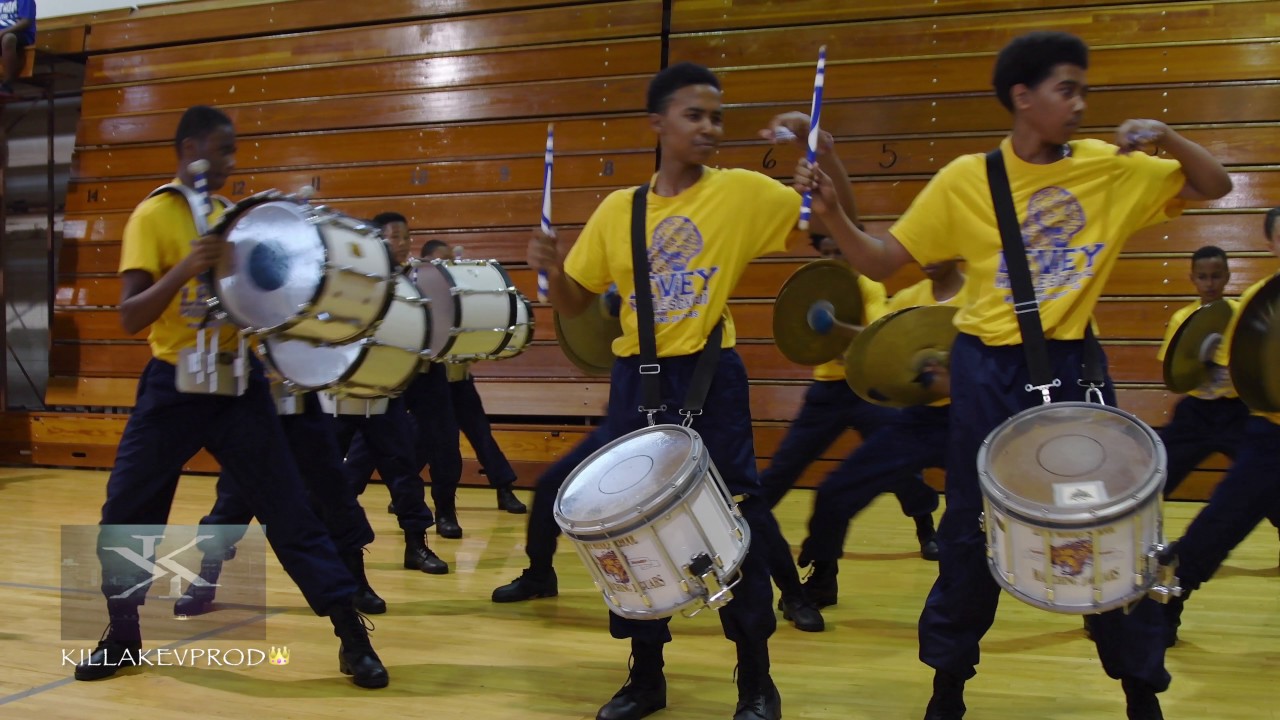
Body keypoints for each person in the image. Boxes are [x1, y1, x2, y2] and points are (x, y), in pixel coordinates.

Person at [794, 31, 1231, 720]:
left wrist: (1169, 136)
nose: (1082, 103)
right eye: (1068, 89)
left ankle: (1139, 687)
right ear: (1023, 98)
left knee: (1105, 530)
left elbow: (1216, 185)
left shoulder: (1109, 168)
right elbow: (883, 262)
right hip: (987, 371)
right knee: (970, 529)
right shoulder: (967, 179)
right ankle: (948, 685)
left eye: (1085, 89)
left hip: (1073, 368)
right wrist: (833, 219)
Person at [495, 61, 857, 720]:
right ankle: (645, 675)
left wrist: (829, 169)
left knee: (732, 525)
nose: (710, 127)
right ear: (658, 124)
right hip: (638, 383)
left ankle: (755, 679)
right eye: (695, 115)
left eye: (717, 116)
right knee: (626, 531)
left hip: (710, 379)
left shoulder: (743, 193)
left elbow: (833, 232)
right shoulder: (619, 211)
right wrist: (551, 270)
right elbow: (578, 303)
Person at [73, 105, 388, 688]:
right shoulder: (153, 214)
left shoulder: (233, 217)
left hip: (238, 385)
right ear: (191, 146)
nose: (230, 161)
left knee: (291, 509)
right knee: (126, 512)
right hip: (173, 385)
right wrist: (184, 270)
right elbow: (128, 315)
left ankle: (351, 637)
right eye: (222, 150)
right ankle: (121, 637)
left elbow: (258, 303)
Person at [761, 233, 944, 631]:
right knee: (780, 474)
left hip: (867, 390)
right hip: (828, 391)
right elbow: (802, 341)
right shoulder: (812, 287)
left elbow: (877, 337)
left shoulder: (868, 284)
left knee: (895, 469)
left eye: (838, 250)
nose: (832, 258)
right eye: (825, 252)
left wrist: (836, 325)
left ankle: (925, 524)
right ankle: (819, 578)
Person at [794, 260, 964, 608]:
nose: (928, 259)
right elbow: (878, 345)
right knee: (833, 493)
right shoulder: (908, 298)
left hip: (970, 418)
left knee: (984, 508)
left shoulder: (984, 292)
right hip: (918, 420)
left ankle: (1094, 602)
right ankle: (822, 579)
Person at [1160, 208, 1280, 647]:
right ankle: (1167, 595)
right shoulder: (1258, 304)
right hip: (1270, 435)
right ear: (1272, 244)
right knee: (1219, 525)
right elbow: (1245, 376)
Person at [170, 389, 386, 617]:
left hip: (308, 404)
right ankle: (206, 578)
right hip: (253, 407)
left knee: (332, 501)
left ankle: (356, 583)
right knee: (231, 503)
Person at [338, 211, 450, 570]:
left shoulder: (416, 281)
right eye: (395, 237)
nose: (404, 243)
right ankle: (336, 546)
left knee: (403, 469)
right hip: (352, 391)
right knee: (344, 473)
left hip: (391, 389)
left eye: (406, 236)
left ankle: (416, 546)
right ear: (377, 241)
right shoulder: (357, 280)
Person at [0, 0, 34, 97]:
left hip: (20, 34)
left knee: (8, 38)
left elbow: (26, 21)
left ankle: (7, 84)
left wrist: (3, 32)